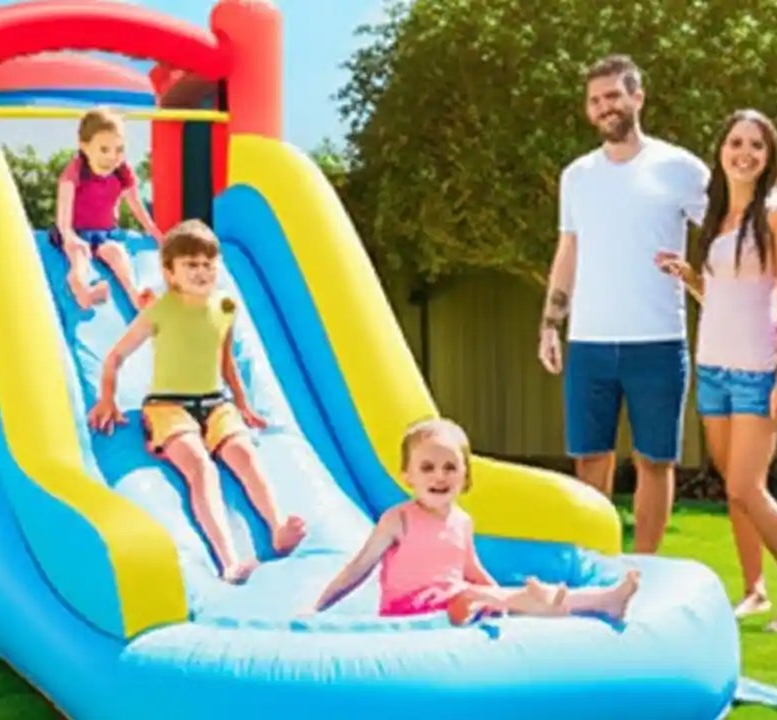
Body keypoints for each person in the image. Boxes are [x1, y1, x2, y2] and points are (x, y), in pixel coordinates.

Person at [654, 109, 777, 632]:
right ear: (721, 150)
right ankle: (754, 590)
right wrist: (688, 277)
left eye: (756, 145)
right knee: (732, 487)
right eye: (736, 142)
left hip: (756, 371)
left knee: (749, 488)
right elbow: (726, 299)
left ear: (769, 157)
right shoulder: (718, 218)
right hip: (713, 369)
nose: (744, 153)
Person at [538, 54, 710, 554]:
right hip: (589, 342)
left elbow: (725, 237)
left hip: (658, 342)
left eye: (613, 95)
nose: (604, 107)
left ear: (637, 97)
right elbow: (568, 249)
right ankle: (598, 562)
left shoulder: (680, 168)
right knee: (591, 458)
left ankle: (645, 569)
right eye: (595, 100)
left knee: (655, 460)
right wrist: (550, 324)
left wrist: (699, 283)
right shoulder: (577, 176)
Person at [87, 219, 307, 583]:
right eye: (191, 264)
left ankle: (278, 527)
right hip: (168, 406)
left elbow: (225, 360)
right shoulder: (160, 309)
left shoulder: (224, 306)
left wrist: (241, 402)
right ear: (170, 272)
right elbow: (115, 357)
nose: (202, 271)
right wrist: (107, 399)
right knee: (200, 467)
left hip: (215, 402)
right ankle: (229, 560)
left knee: (245, 455)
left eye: (208, 263)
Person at [308, 418, 641, 625]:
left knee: (504, 598)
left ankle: (602, 600)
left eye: (450, 467)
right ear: (407, 476)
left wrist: (499, 592)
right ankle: (530, 601)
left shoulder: (462, 522)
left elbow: (473, 570)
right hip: (410, 613)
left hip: (457, 601)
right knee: (481, 599)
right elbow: (359, 567)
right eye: (427, 468)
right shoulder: (398, 520)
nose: (439, 477)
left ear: (465, 476)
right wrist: (318, 605)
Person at [53, 106, 164, 310]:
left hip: (105, 234)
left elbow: (136, 205)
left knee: (117, 253)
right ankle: (82, 291)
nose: (112, 157)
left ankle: (136, 296)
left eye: (119, 150)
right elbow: (63, 210)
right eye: (104, 150)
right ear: (84, 146)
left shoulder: (122, 172)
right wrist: (69, 236)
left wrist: (155, 232)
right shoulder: (76, 170)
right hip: (76, 232)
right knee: (80, 257)